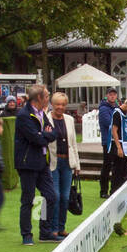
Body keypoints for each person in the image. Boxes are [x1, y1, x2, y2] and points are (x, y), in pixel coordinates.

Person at [15, 83, 59, 245]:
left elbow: (53, 133)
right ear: (39, 98)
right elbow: (36, 138)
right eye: (47, 96)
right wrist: (44, 135)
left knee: (50, 196)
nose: (49, 99)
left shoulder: (42, 113)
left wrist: (44, 135)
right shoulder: (24, 116)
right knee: (28, 199)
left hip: (42, 162)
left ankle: (45, 232)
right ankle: (26, 234)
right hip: (27, 163)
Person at [49, 91, 80, 238]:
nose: (60, 107)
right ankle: (53, 229)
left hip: (68, 162)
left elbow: (73, 143)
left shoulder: (69, 119)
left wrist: (77, 165)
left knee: (66, 197)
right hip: (53, 163)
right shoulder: (46, 119)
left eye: (63, 104)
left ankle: (62, 227)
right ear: (52, 105)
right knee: (55, 196)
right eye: (57, 104)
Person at [97, 86, 122, 197]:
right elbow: (110, 123)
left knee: (115, 166)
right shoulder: (103, 109)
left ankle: (114, 189)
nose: (112, 96)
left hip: (116, 140)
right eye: (110, 94)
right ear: (107, 95)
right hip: (107, 141)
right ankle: (103, 191)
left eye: (114, 94)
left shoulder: (117, 107)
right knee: (107, 166)